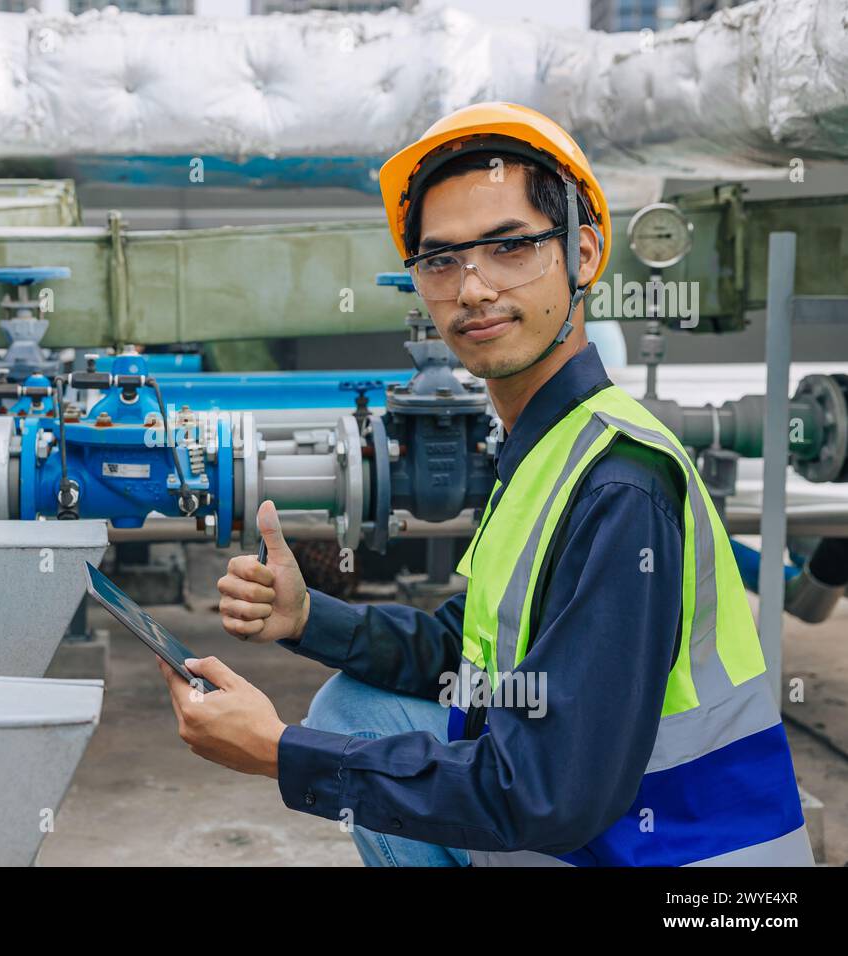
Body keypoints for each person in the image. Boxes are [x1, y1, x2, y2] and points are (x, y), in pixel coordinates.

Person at [156, 102, 813, 867]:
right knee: (356, 708)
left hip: (679, 862)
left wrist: (282, 754)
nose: (471, 289)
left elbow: (547, 797)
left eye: (509, 247)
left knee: (344, 734)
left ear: (586, 253)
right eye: (441, 261)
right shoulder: (547, 448)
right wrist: (308, 617)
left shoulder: (619, 487)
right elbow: (466, 656)